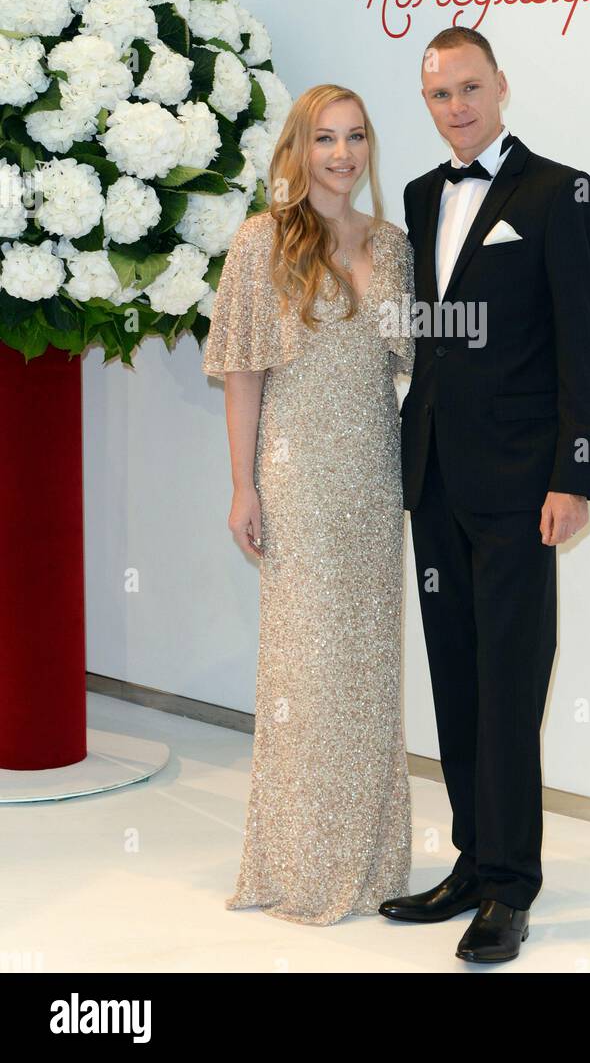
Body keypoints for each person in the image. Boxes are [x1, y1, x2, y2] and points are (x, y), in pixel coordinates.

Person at [379, 27, 590, 963]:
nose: (457, 108)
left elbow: (581, 343)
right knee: (457, 676)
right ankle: (473, 860)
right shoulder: (421, 193)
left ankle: (513, 888)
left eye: (470, 89)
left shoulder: (561, 192)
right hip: (435, 477)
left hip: (523, 488)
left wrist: (576, 475)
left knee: (511, 684)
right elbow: (433, 343)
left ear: (502, 87)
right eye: (440, 96)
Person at [202, 83, 414, 925]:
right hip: (294, 476)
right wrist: (243, 484)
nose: (342, 154)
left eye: (355, 137)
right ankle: (299, 864)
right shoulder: (261, 243)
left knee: (367, 673)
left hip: (374, 476)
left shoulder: (394, 245)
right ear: (298, 149)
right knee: (306, 669)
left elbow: (418, 363)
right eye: (324, 138)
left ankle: (368, 866)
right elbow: (243, 373)